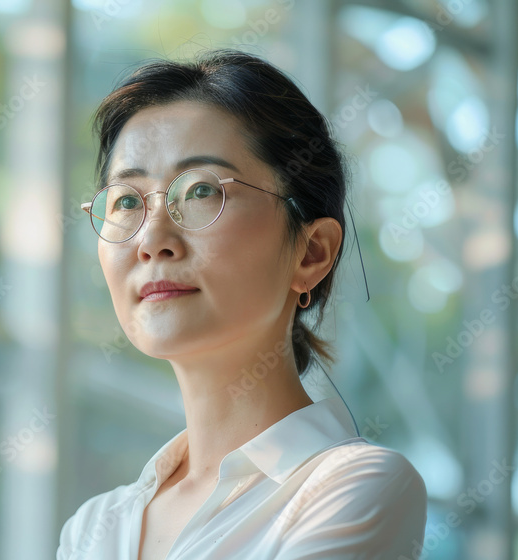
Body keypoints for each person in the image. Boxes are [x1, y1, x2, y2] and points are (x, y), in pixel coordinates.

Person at [57, 49, 427, 560]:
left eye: (201, 191)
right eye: (126, 200)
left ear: (311, 253)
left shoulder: (351, 488)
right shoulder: (95, 528)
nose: (152, 240)